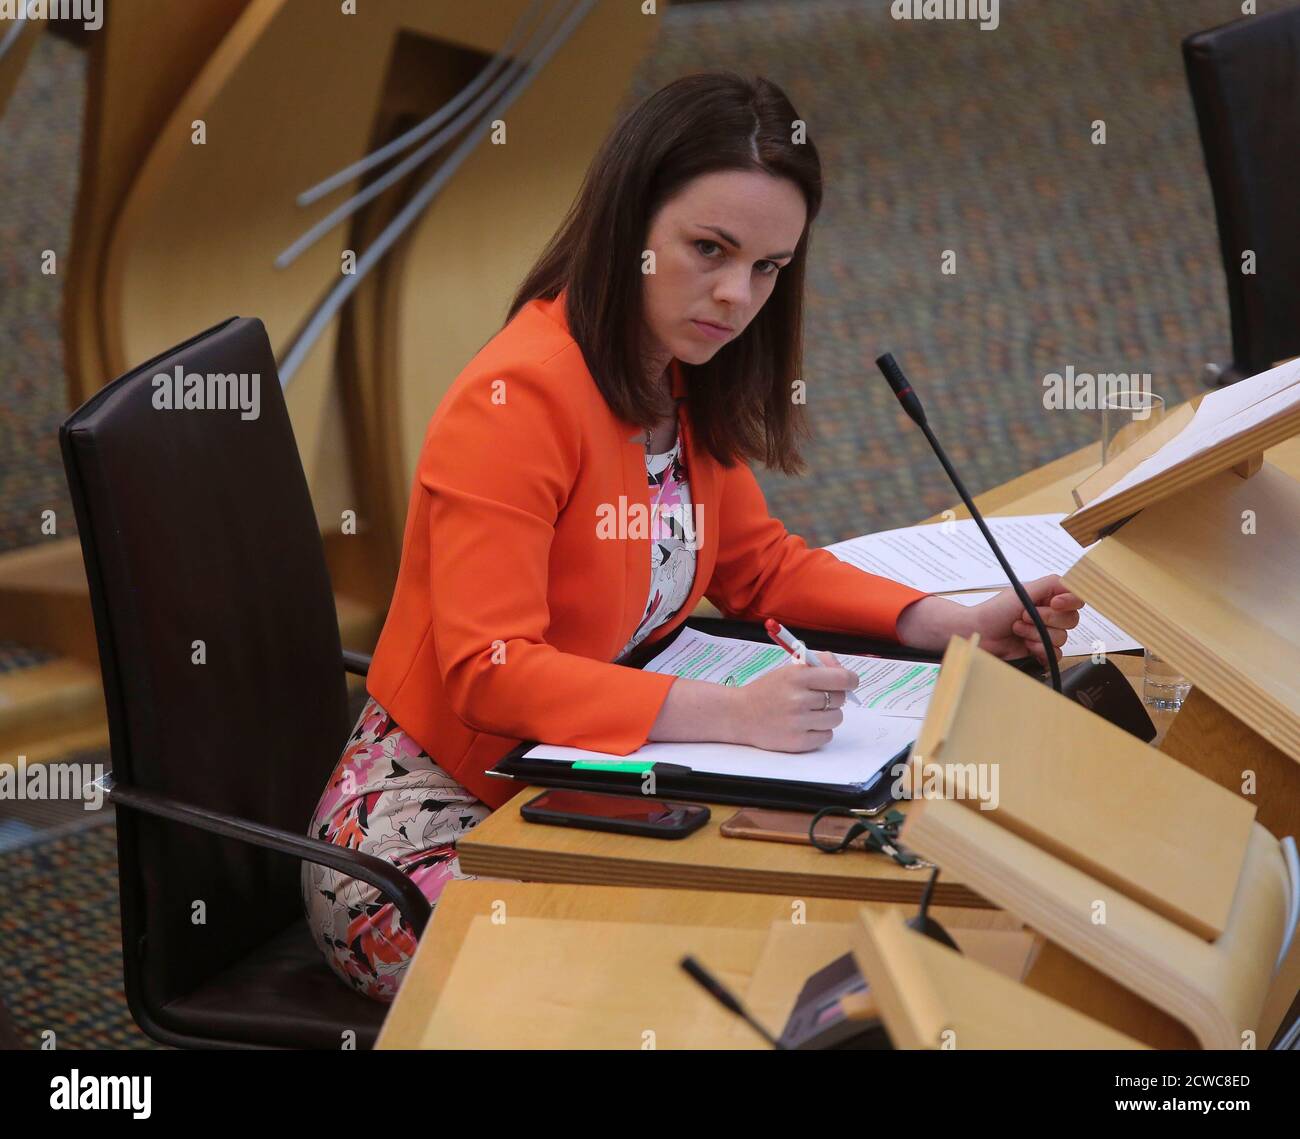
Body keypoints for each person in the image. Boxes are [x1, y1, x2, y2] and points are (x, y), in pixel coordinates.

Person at [302, 70, 1082, 1001]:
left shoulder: (675, 367)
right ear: (629, 223)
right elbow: (490, 668)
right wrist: (734, 715)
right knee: (684, 989)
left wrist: (945, 620)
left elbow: (759, 564)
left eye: (767, 267)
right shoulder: (517, 401)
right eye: (708, 249)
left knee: (820, 929)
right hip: (429, 833)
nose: (735, 295)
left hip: (587, 785)